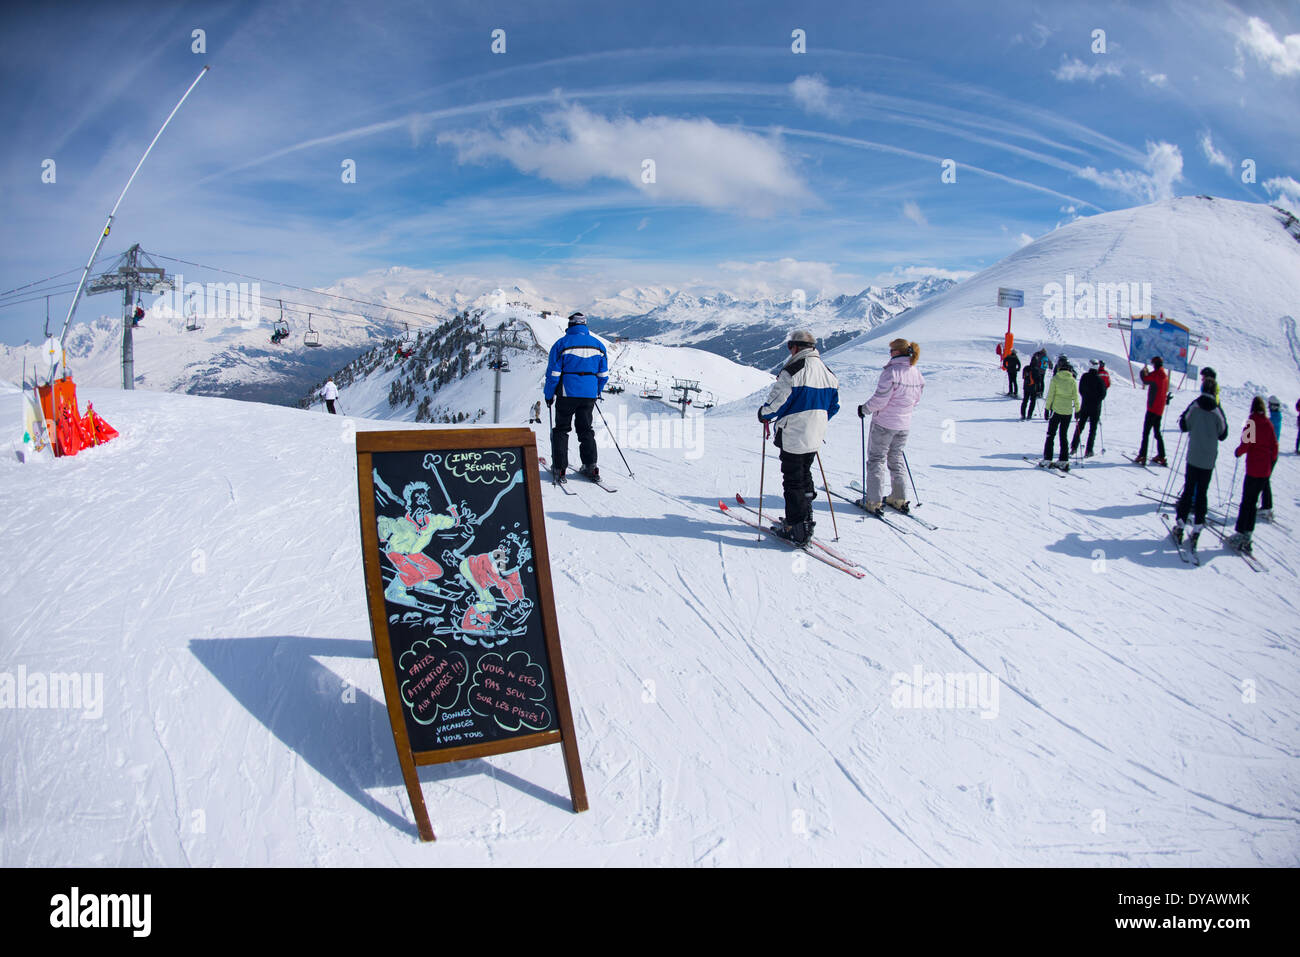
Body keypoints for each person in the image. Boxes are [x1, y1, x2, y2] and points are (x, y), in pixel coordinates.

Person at [758, 330, 840, 544]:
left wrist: (764, 414)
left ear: (794, 347)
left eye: (789, 347)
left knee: (793, 480)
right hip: (815, 434)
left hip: (794, 433)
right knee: (804, 474)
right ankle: (806, 517)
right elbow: (833, 406)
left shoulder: (793, 370)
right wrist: (817, 420)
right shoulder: (828, 372)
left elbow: (777, 402)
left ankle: (796, 528)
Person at [856, 338, 924, 514]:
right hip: (904, 424)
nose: (890, 354)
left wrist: (865, 409)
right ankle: (899, 498)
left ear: (896, 352)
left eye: (891, 351)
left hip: (884, 423)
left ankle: (873, 501)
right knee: (896, 457)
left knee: (877, 459)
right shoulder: (915, 372)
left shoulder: (891, 373)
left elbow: (880, 399)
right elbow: (916, 399)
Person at [544, 312, 609, 483]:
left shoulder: (561, 344)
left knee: (562, 429)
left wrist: (549, 395)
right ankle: (590, 466)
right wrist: (596, 391)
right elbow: (603, 375)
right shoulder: (598, 345)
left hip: (567, 393)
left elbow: (553, 374)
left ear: (570, 325)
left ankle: (560, 467)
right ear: (585, 325)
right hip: (589, 394)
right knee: (586, 429)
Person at [1171, 378, 1229, 550]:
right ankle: (1197, 528)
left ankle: (1180, 525)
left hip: (1194, 455)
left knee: (1188, 490)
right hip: (1209, 458)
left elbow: (1183, 424)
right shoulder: (1218, 410)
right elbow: (1223, 433)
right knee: (1202, 492)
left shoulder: (1195, 405)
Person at [1226, 396, 1278, 555]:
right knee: (1253, 502)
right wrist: (1270, 462)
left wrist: (1238, 452)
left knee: (1246, 502)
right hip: (1264, 471)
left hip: (1253, 470)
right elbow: (1274, 446)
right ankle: (1248, 534)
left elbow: (1245, 444)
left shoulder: (1252, 422)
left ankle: (1240, 533)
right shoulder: (1268, 424)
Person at [1040, 355, 1079, 469]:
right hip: (1067, 412)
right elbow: (1075, 397)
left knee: (1050, 434)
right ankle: (1063, 459)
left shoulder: (1056, 378)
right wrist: (1077, 410)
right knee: (1063, 435)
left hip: (1056, 411)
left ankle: (1048, 458)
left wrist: (1047, 409)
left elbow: (1050, 395)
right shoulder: (1072, 380)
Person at [1135, 356, 1170, 466]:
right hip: (1160, 409)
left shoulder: (1157, 374)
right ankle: (1161, 455)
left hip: (1152, 408)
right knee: (1157, 432)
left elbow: (1145, 380)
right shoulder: (1165, 375)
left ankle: (1142, 455)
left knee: (1146, 433)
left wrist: (1143, 371)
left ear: (1155, 364)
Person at [1070, 358, 1108, 457]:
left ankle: (1074, 447)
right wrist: (1097, 399)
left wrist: (1086, 397)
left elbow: (1081, 390)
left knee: (1080, 426)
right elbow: (1103, 394)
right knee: (1092, 429)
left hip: (1085, 405)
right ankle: (1089, 450)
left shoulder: (1085, 377)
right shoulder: (1099, 380)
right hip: (1095, 407)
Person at [1260, 395, 1283, 523]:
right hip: (1272, 453)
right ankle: (1266, 506)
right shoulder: (1276, 417)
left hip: (1269, 454)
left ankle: (1267, 506)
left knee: (1264, 479)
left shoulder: (1273, 420)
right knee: (1265, 479)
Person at [1020, 348, 1046, 420]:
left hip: (1026, 387)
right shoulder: (1036, 369)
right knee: (1032, 401)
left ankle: (1023, 414)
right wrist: (1039, 390)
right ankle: (1029, 415)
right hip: (1033, 388)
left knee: (1025, 401)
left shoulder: (1026, 368)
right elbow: (1038, 381)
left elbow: (1023, 377)